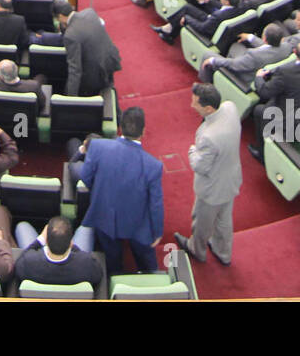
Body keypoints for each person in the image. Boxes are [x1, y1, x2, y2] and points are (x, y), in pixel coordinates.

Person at [81, 107, 164, 274]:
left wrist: (100, 189)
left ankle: (115, 277)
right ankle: (150, 274)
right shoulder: (153, 166)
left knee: (112, 257)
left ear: (121, 127)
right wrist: (157, 232)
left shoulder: (97, 146)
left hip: (104, 214)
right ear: (143, 131)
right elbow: (155, 204)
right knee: (146, 258)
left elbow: (85, 177)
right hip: (136, 222)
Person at [174, 84, 243, 266]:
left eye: (195, 103)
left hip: (211, 189)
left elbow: (200, 166)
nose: (191, 105)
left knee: (202, 223)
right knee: (224, 221)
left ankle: (197, 250)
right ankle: (223, 253)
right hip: (231, 180)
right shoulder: (230, 108)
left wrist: (191, 151)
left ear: (208, 108)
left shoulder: (209, 137)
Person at [53, 0, 121, 96]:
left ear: (60, 16)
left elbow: (75, 70)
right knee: (109, 87)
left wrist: (70, 99)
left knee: (70, 89)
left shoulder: (70, 35)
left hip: (95, 73)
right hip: (109, 60)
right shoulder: (90, 13)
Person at [13, 215, 103, 288]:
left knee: (22, 226)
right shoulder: (86, 263)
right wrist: (72, 246)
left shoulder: (29, 262)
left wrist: (39, 241)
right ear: (71, 243)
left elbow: (20, 261)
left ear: (46, 241)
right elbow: (98, 274)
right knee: (86, 228)